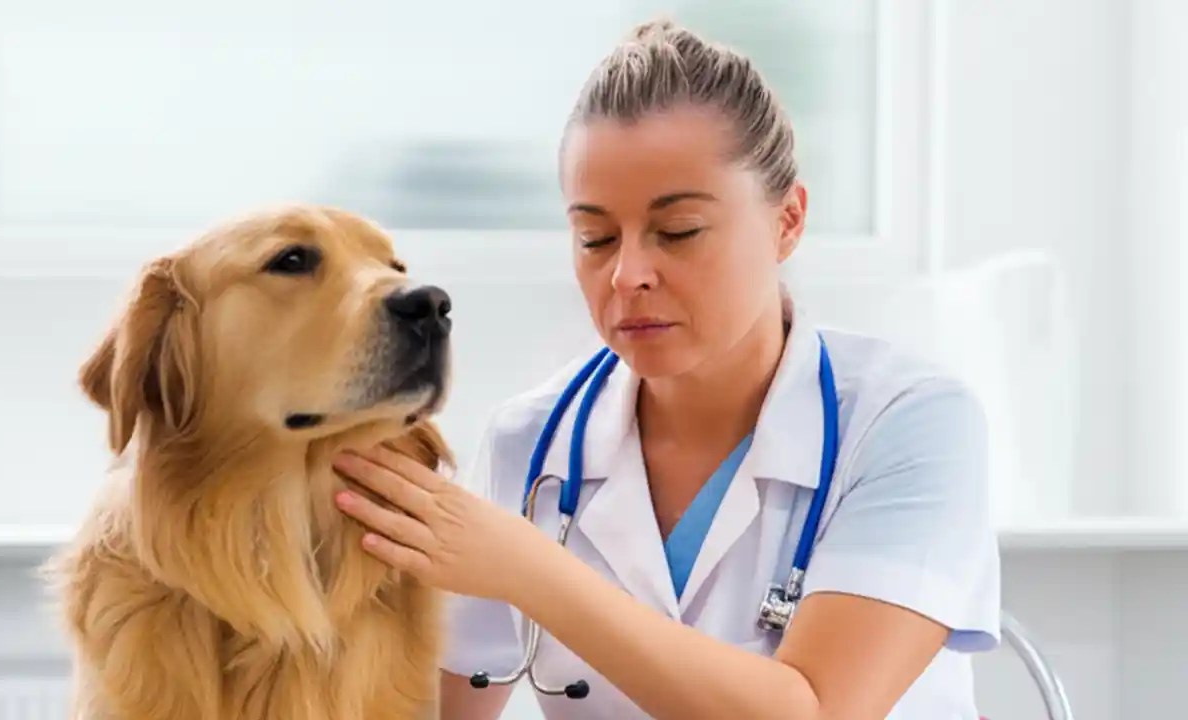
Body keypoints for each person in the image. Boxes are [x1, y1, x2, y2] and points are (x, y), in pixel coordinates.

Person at [331, 19, 1000, 720]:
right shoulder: (529, 444)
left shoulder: (910, 423)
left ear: (788, 222)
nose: (627, 275)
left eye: (678, 232)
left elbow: (817, 710)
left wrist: (529, 570)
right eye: (594, 238)